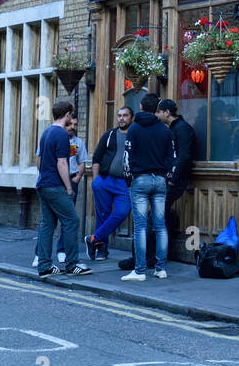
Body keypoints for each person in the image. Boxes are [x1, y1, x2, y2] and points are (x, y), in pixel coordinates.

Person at [122, 92, 175, 281]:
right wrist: (166, 177)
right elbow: (172, 158)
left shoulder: (134, 128)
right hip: (160, 180)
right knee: (160, 226)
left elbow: (127, 158)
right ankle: (161, 269)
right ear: (157, 110)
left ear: (142, 108)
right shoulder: (165, 130)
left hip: (140, 180)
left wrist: (129, 179)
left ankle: (140, 271)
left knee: (141, 227)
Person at [35, 101, 92, 277]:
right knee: (72, 221)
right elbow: (62, 163)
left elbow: (39, 160)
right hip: (55, 186)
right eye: (70, 115)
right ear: (67, 114)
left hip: (43, 184)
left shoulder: (46, 132)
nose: (71, 118)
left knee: (47, 223)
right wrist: (68, 187)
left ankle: (44, 265)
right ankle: (72, 264)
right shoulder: (60, 134)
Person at [86, 106, 133, 261]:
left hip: (124, 184)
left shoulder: (135, 135)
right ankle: (102, 249)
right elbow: (97, 158)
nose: (121, 118)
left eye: (125, 115)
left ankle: (93, 239)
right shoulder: (109, 135)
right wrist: (96, 181)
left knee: (121, 212)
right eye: (119, 115)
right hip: (105, 180)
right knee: (102, 215)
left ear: (131, 118)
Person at [158, 99, 197, 232]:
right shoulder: (173, 128)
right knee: (159, 212)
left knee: (157, 214)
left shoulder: (182, 128)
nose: (157, 115)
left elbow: (183, 156)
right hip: (169, 178)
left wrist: (173, 179)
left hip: (177, 179)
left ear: (167, 112)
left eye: (159, 112)